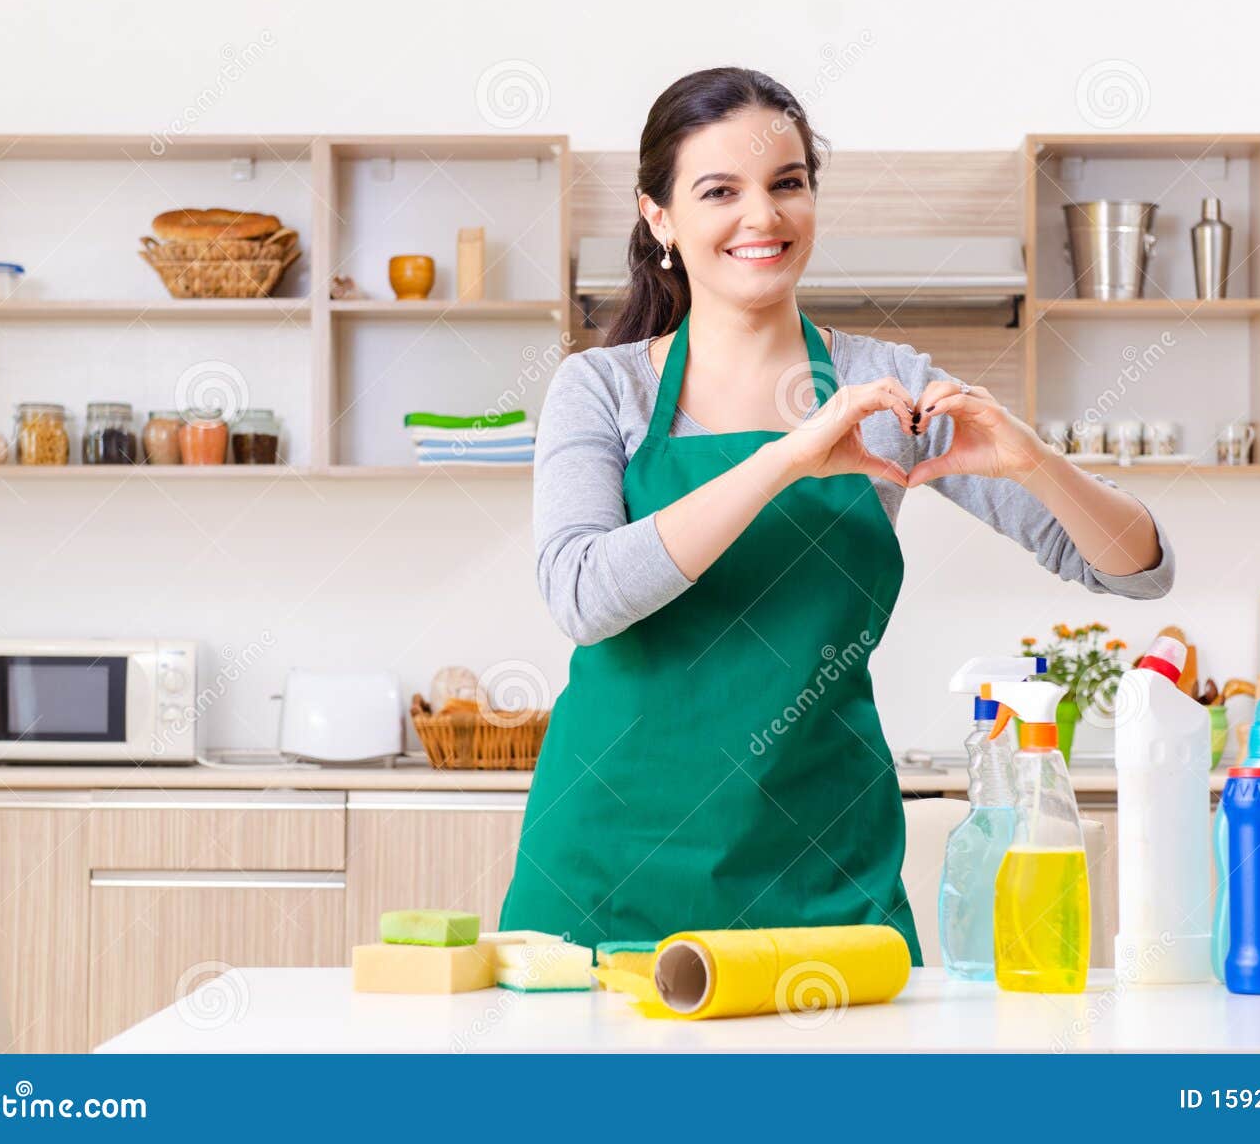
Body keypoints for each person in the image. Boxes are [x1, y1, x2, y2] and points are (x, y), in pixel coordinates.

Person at [498, 67, 1173, 963]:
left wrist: (1038, 466)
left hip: (816, 876)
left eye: (787, 184)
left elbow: (1136, 570)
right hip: (607, 866)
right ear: (659, 217)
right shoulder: (602, 387)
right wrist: (784, 459)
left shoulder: (883, 385)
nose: (763, 217)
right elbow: (583, 594)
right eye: (720, 192)